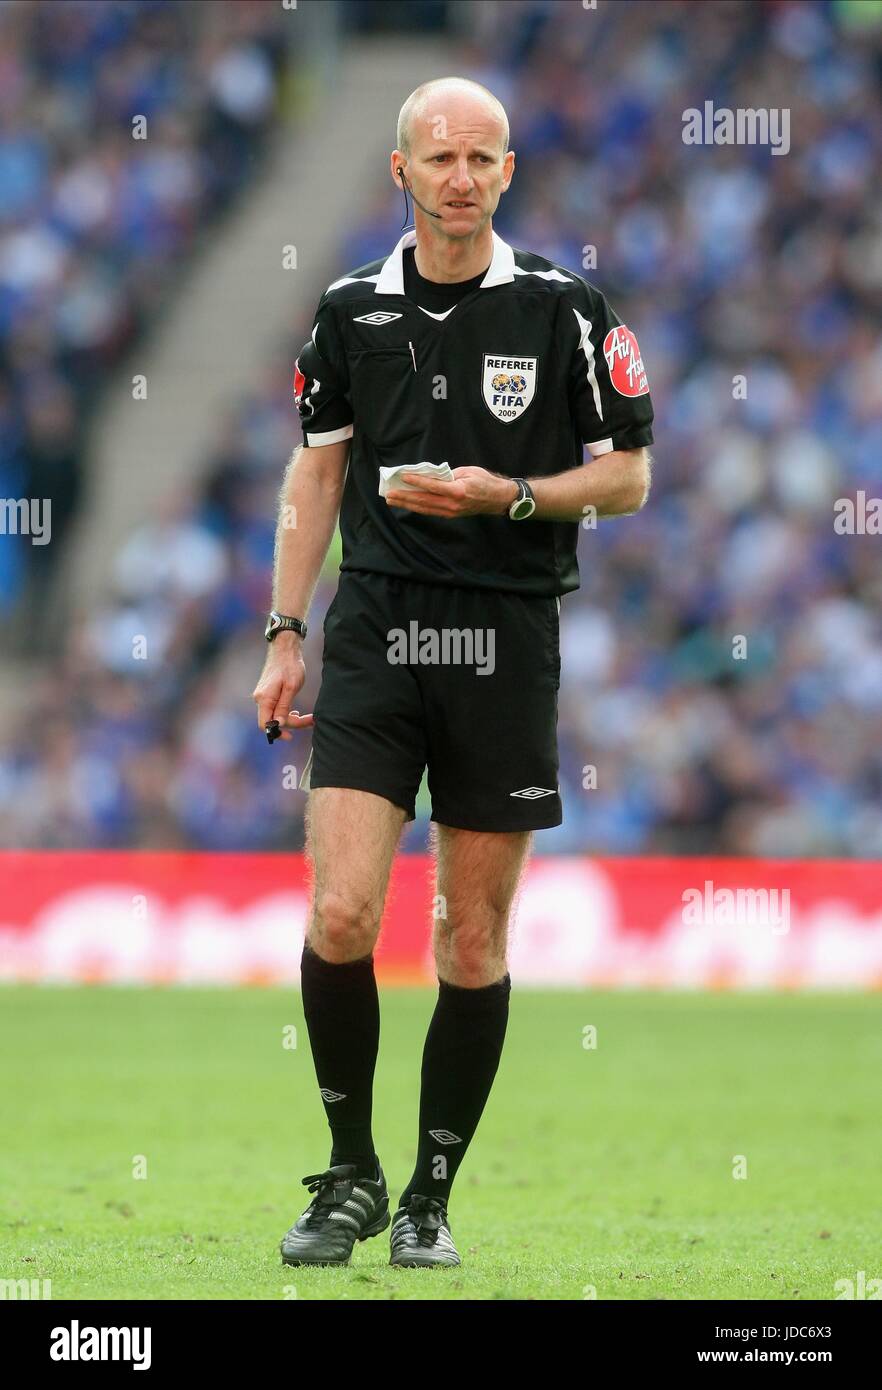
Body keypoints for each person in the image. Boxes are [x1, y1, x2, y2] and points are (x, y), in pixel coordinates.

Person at [252, 75, 653, 1269]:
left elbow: (627, 474)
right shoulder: (346, 313)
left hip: (506, 633)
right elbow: (314, 475)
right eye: (440, 158)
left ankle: (428, 1193)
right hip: (375, 629)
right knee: (341, 911)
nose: (461, 176)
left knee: (469, 941)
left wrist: (512, 496)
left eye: (483, 157)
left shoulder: (566, 308)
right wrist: (284, 630)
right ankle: (350, 1177)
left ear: (509, 172)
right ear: (402, 173)